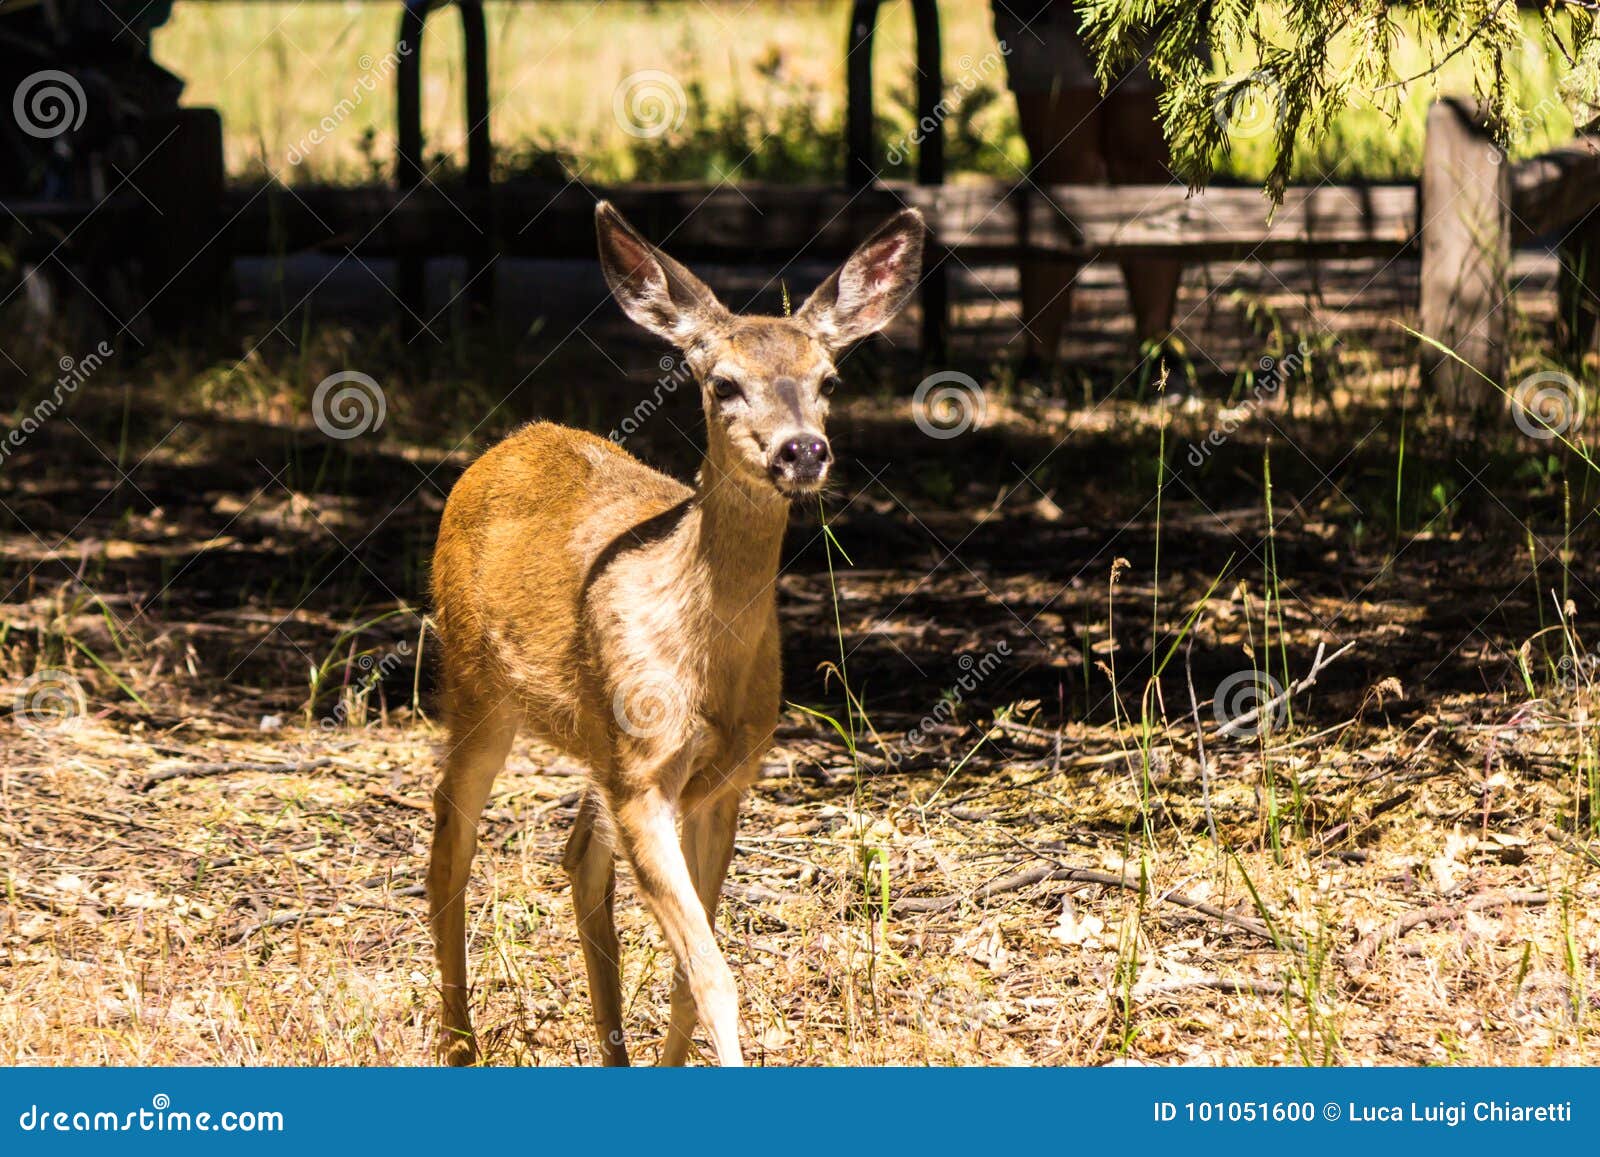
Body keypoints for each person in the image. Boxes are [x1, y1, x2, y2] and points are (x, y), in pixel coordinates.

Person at [992, 0, 1186, 373]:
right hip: (1043, 13)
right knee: (1061, 171)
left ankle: (1157, 354)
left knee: (1145, 168)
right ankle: (1039, 362)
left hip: (1157, 12)